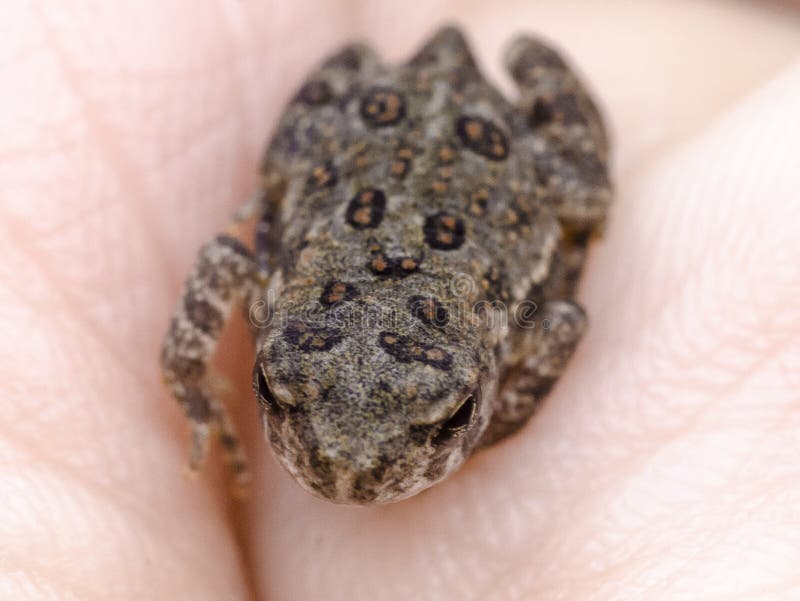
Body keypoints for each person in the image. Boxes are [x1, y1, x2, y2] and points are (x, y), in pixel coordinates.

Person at [2, 1, 799, 598]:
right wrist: (188, 382)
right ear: (277, 354)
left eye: (435, 423)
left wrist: (496, 423)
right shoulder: (299, 295)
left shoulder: (496, 316)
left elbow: (556, 320)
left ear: (469, 383)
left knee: (584, 191)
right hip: (372, 135)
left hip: (491, 143)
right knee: (292, 163)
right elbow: (219, 262)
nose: (344, 462)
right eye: (284, 396)